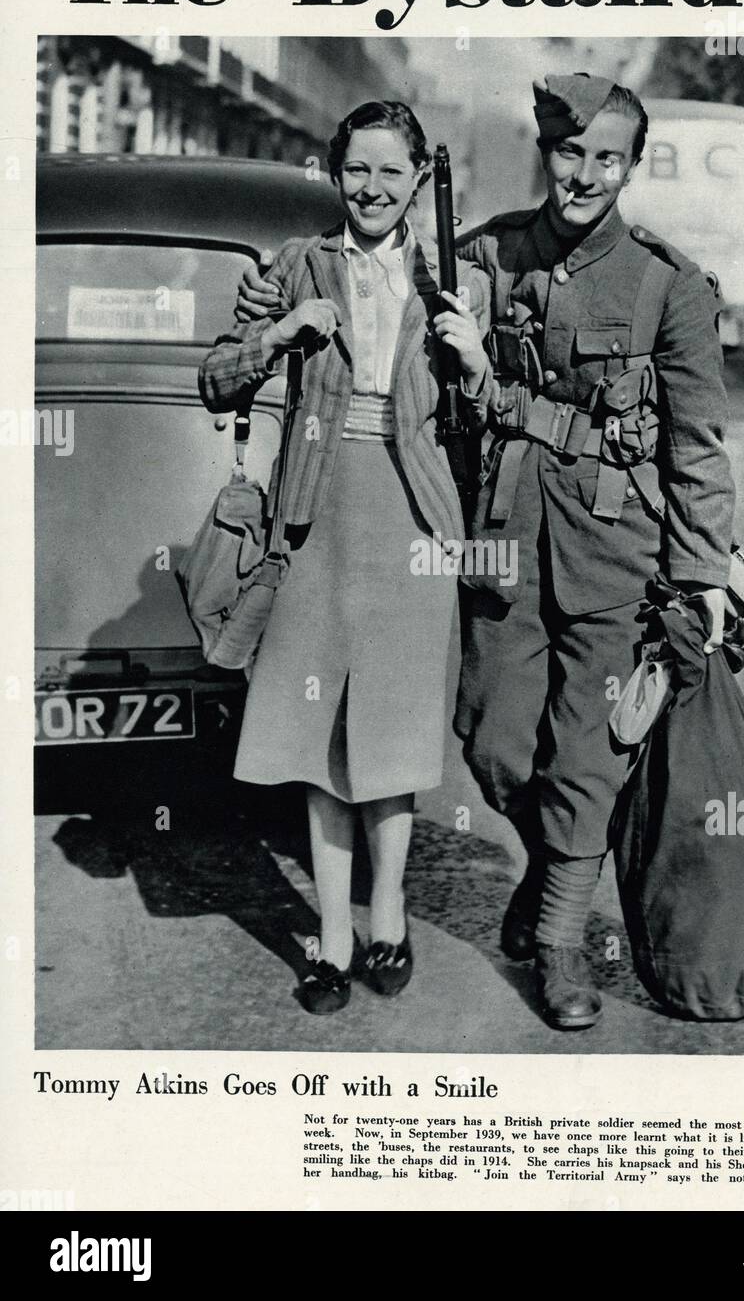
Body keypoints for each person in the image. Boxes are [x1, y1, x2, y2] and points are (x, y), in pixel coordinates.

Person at [235, 74, 736, 1034]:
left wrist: (704, 568)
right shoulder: (488, 253)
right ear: (546, 154)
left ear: (632, 167)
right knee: (491, 738)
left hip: (613, 550)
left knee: (586, 756)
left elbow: (697, 443)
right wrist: (267, 293)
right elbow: (382, 275)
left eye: (606, 159)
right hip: (499, 538)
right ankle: (553, 865)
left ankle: (556, 941)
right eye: (568, 153)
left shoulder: (669, 284)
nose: (584, 175)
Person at [198, 100, 491, 1016]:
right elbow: (215, 377)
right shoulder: (296, 264)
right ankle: (330, 937)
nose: (372, 188)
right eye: (357, 170)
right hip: (314, 518)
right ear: (336, 172)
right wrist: (280, 337)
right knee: (319, 741)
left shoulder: (456, 280)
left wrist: (475, 363)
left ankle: (388, 916)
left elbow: (486, 417)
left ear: (417, 182)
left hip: (414, 524)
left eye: (391, 173)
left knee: (395, 736)